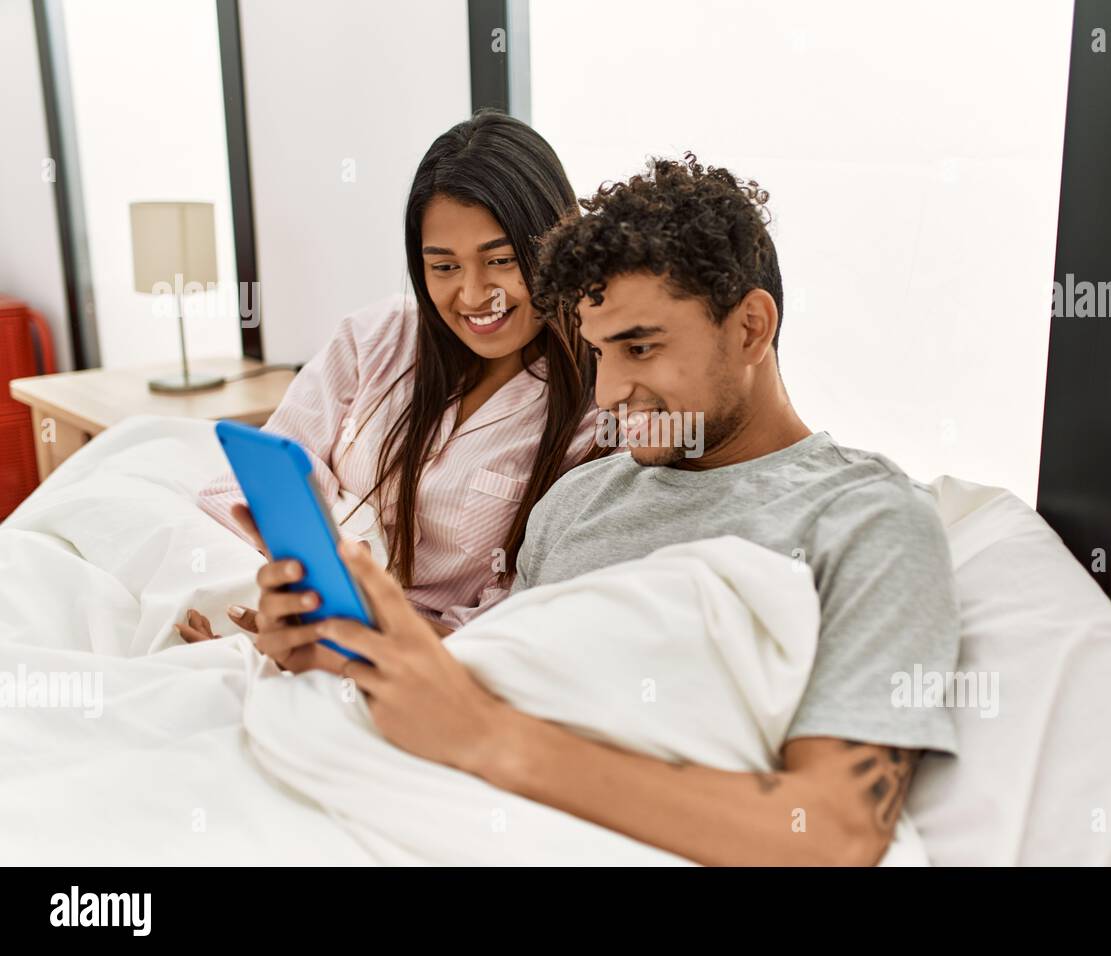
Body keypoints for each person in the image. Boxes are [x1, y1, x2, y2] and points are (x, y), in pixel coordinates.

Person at [242, 153, 962, 866]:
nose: (611, 392)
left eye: (640, 348)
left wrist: (487, 736)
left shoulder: (869, 519)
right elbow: (493, 676)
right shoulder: (579, 497)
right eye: (597, 353)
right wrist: (339, 652)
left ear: (750, 328)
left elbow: (833, 830)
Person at [178, 111, 604, 664]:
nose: (474, 296)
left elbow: (502, 635)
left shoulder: (598, 414)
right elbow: (255, 480)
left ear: (556, 245)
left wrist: (348, 602)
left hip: (415, 659)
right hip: (291, 598)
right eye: (444, 267)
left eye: (500, 261)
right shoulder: (377, 336)